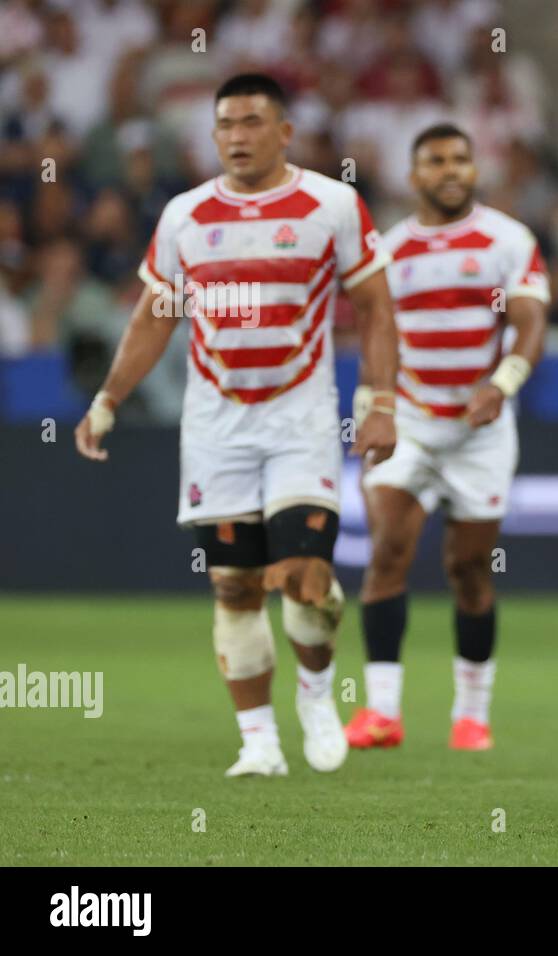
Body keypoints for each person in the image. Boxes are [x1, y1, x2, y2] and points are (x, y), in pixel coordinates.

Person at [74, 73, 400, 777]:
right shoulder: (184, 215)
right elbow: (155, 316)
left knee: (305, 577)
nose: (237, 136)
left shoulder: (332, 204)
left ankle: (316, 699)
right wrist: (107, 400)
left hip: (300, 421)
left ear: (284, 132)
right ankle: (258, 742)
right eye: (225, 124)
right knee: (234, 586)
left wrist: (380, 403)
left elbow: (373, 307)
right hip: (216, 428)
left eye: (252, 122)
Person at [344, 123, 548, 752]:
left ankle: (472, 715)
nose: (451, 169)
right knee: (386, 557)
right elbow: (375, 340)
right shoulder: (388, 250)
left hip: (479, 432)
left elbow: (530, 321)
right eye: (436, 161)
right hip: (409, 421)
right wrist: (370, 410)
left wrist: (503, 382)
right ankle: (381, 713)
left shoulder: (506, 238)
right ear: (414, 176)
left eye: (461, 158)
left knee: (468, 572)